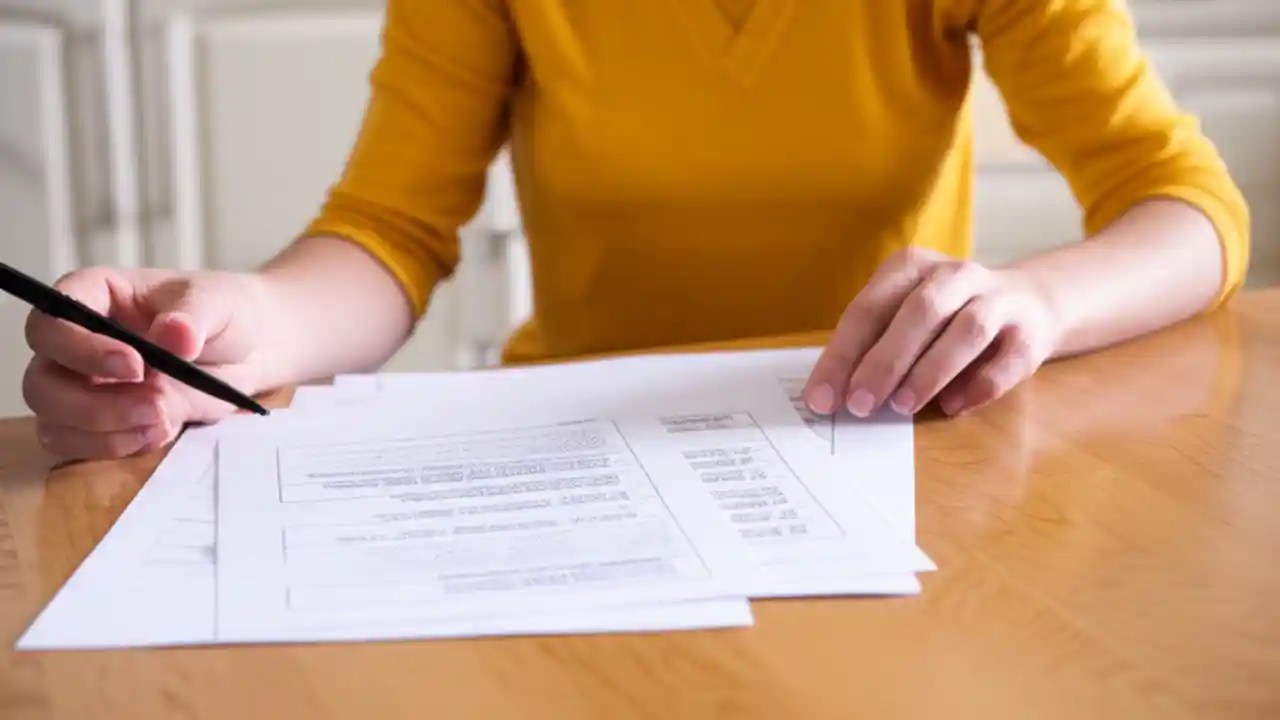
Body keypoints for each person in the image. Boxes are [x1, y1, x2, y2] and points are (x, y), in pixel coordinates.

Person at [21, 0, 1249, 460]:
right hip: (577, 454)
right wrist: (253, 326)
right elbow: (391, 229)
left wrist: (1033, 301)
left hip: (881, 461)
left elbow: (1184, 207)